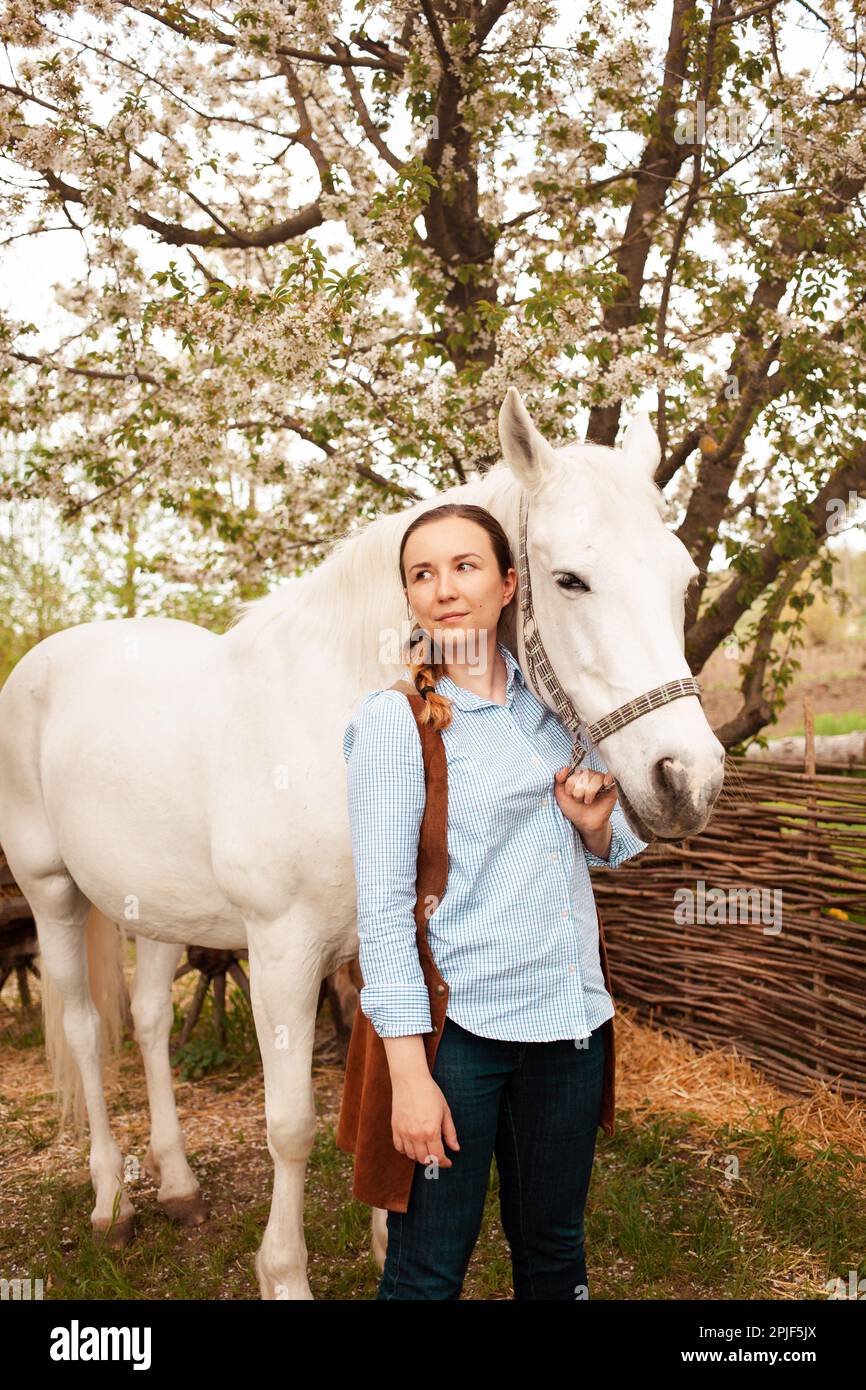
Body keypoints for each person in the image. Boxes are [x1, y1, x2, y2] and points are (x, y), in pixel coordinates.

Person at [343, 502, 649, 1300]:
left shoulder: (559, 714)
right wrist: (409, 1078)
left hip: (570, 1024)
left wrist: (591, 825)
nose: (444, 587)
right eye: (423, 572)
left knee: (554, 1255)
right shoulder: (396, 722)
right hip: (461, 1041)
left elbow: (610, 848)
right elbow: (381, 912)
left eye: (465, 566)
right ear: (409, 597)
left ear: (510, 583)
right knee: (427, 1274)